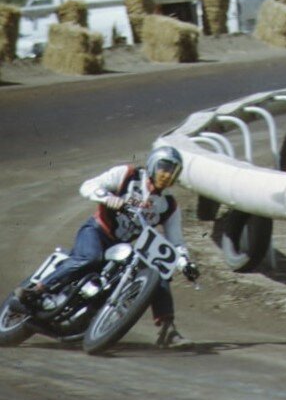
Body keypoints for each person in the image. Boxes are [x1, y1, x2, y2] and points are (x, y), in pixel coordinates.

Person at [13, 145, 200, 347]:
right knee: (90, 258)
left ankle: (168, 329)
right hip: (97, 231)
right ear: (153, 164)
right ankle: (38, 290)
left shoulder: (168, 205)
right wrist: (110, 199)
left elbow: (176, 242)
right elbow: (88, 185)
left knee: (158, 270)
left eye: (173, 171)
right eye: (165, 167)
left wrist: (185, 263)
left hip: (122, 246)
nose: (167, 174)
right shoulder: (128, 175)